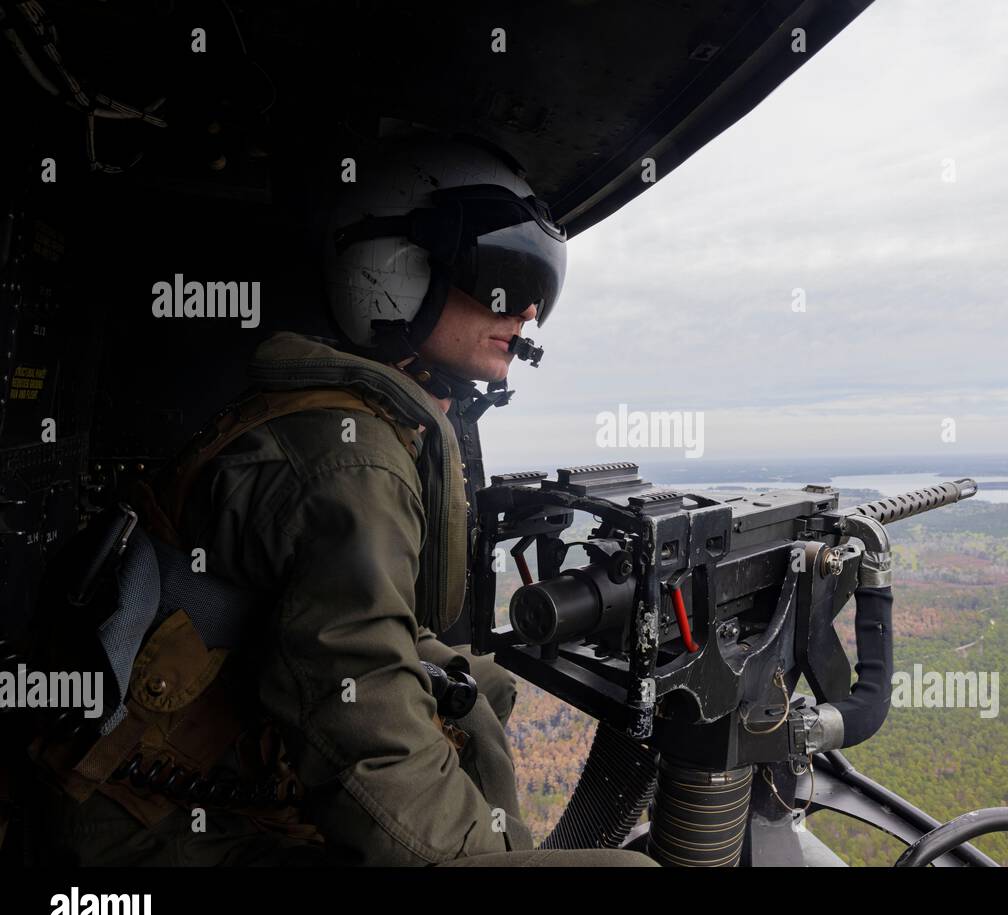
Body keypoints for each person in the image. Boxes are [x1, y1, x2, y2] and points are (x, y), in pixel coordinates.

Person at [25, 126, 655, 867]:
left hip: (177, 784)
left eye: (538, 291)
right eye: (505, 279)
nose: (524, 315)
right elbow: (369, 735)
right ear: (398, 270)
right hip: (138, 829)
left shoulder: (348, 426)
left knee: (476, 690)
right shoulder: (355, 462)